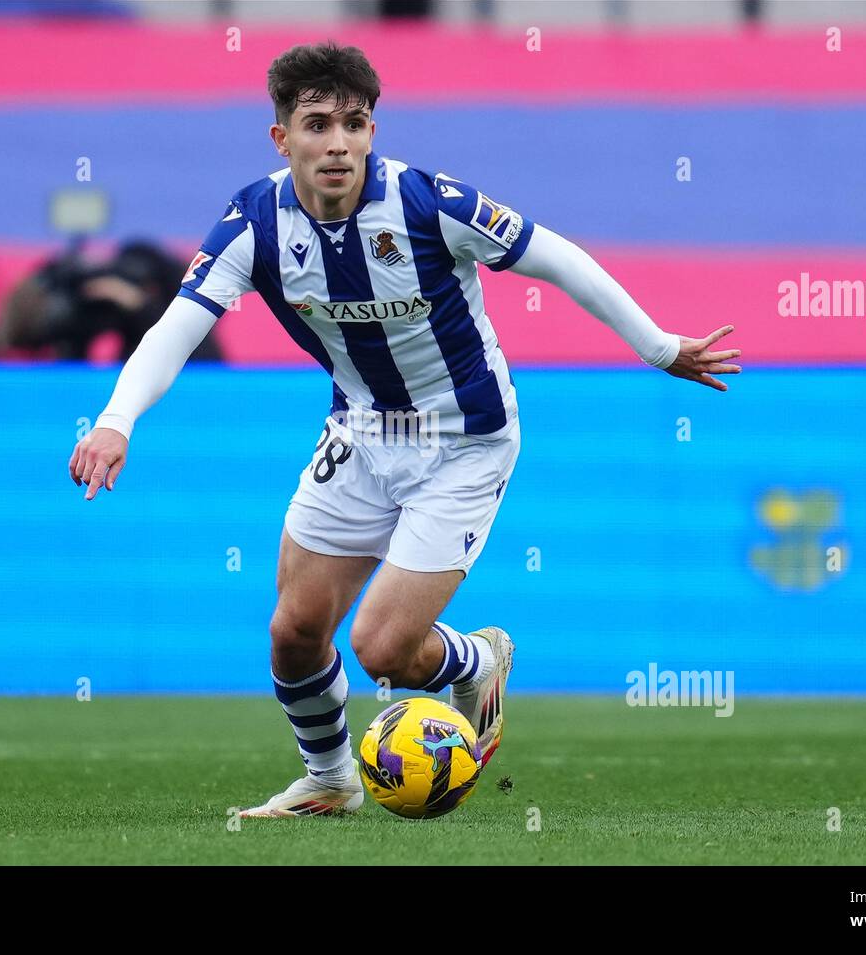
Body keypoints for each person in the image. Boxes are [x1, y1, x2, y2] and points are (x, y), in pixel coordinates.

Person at [68, 41, 741, 817]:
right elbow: (176, 326)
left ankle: (478, 659)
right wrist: (117, 422)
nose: (338, 142)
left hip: (465, 441)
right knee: (294, 629)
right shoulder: (254, 223)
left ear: (372, 131)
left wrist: (658, 347)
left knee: (383, 649)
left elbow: (556, 258)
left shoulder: (428, 203)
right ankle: (329, 780)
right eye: (317, 124)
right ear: (281, 139)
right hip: (359, 434)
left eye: (354, 123)